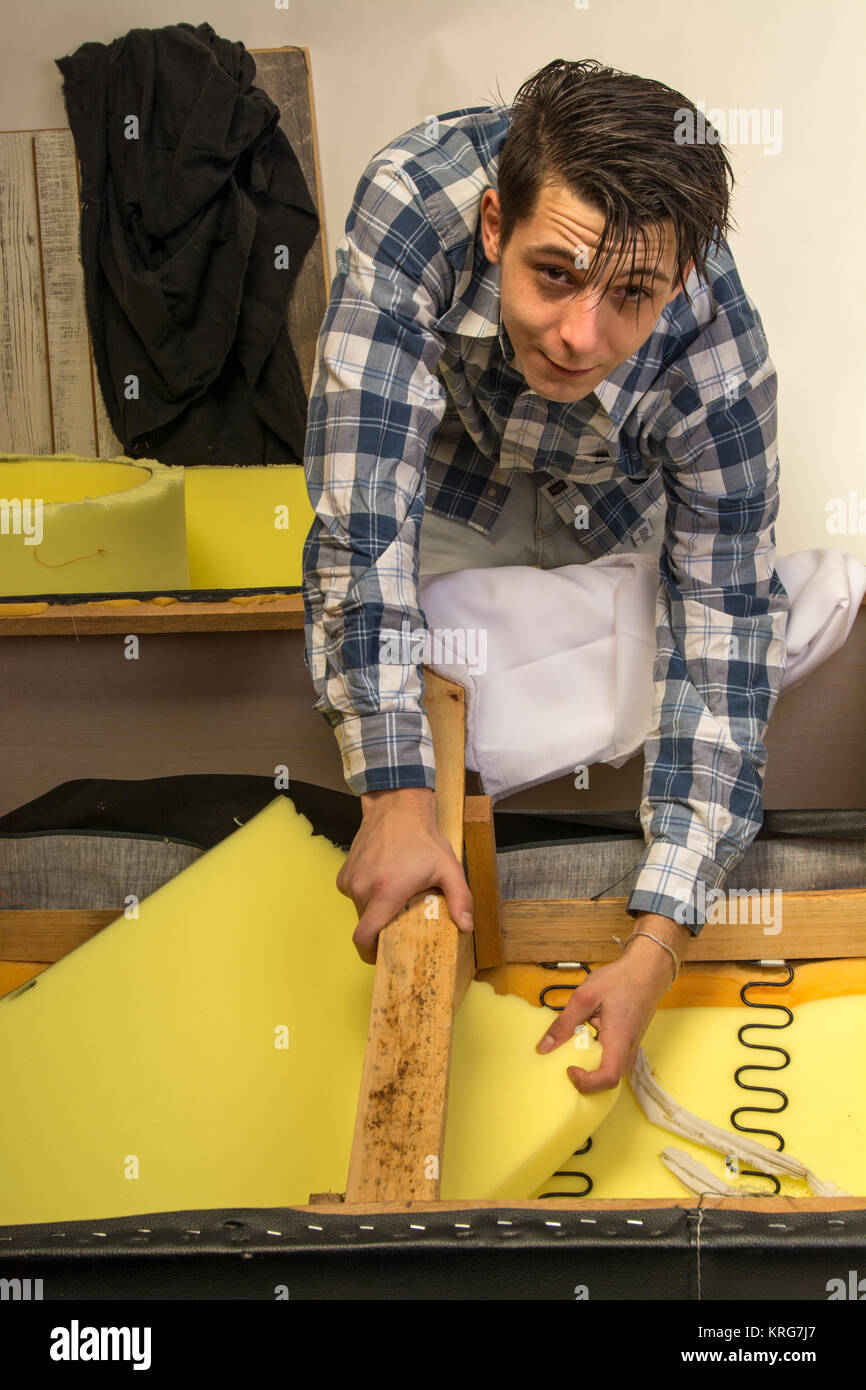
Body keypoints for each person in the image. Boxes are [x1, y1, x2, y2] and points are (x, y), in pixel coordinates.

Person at [301, 58, 789, 1094]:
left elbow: (723, 620)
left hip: (604, 507)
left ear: (682, 274)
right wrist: (393, 794)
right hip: (448, 481)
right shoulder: (410, 207)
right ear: (491, 227)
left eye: (630, 297)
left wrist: (657, 941)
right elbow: (363, 512)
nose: (579, 335)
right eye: (554, 274)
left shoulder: (714, 359)